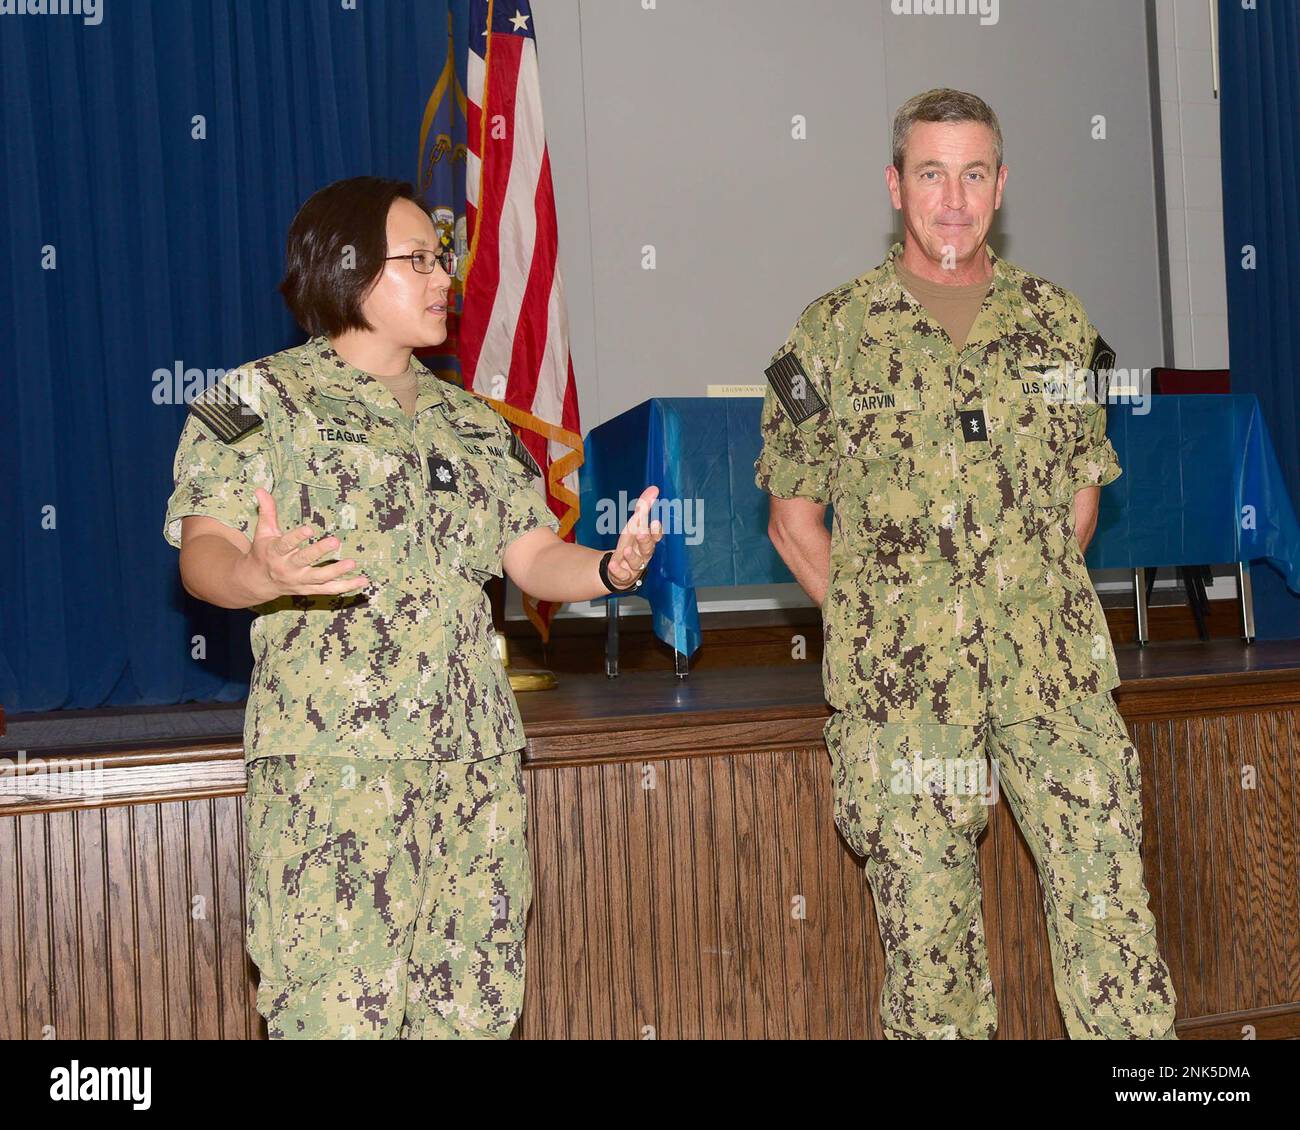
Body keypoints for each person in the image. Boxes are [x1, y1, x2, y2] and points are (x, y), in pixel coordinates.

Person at [163, 176, 662, 1039]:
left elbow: (531, 556)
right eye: (421, 261)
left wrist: (609, 572)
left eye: (446, 260)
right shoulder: (248, 397)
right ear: (349, 272)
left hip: (471, 769)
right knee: (333, 1016)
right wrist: (257, 571)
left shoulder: (472, 420)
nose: (445, 279)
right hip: (334, 774)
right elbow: (200, 554)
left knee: (471, 1011)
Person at [755, 89, 1178, 1039]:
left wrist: (1006, 608)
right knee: (932, 957)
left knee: (1112, 925)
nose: (954, 198)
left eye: (974, 173)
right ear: (896, 185)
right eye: (932, 173)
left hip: (1055, 682)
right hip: (907, 705)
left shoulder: (1061, 326)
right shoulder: (829, 335)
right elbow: (792, 521)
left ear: (1001, 185)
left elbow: (1080, 501)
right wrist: (890, 625)